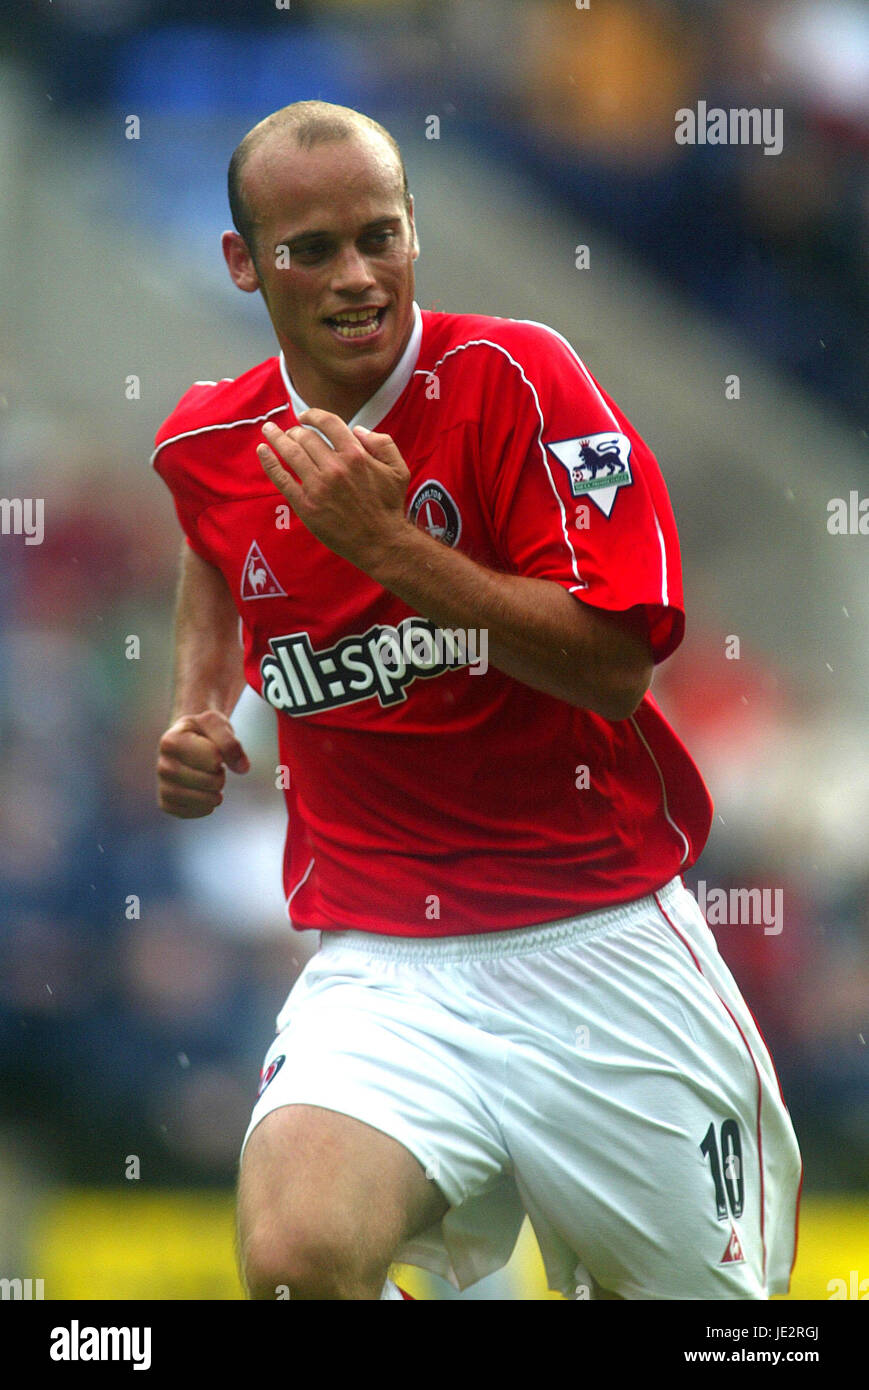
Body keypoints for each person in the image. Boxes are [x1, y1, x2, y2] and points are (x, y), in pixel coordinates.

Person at [152, 100, 801, 1301]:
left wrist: (387, 549)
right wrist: (198, 708)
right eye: (310, 249)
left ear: (412, 234)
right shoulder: (213, 434)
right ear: (244, 262)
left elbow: (611, 669)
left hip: (598, 947)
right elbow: (209, 536)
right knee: (295, 1257)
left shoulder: (517, 378)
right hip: (382, 962)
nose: (356, 276)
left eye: (379, 236)